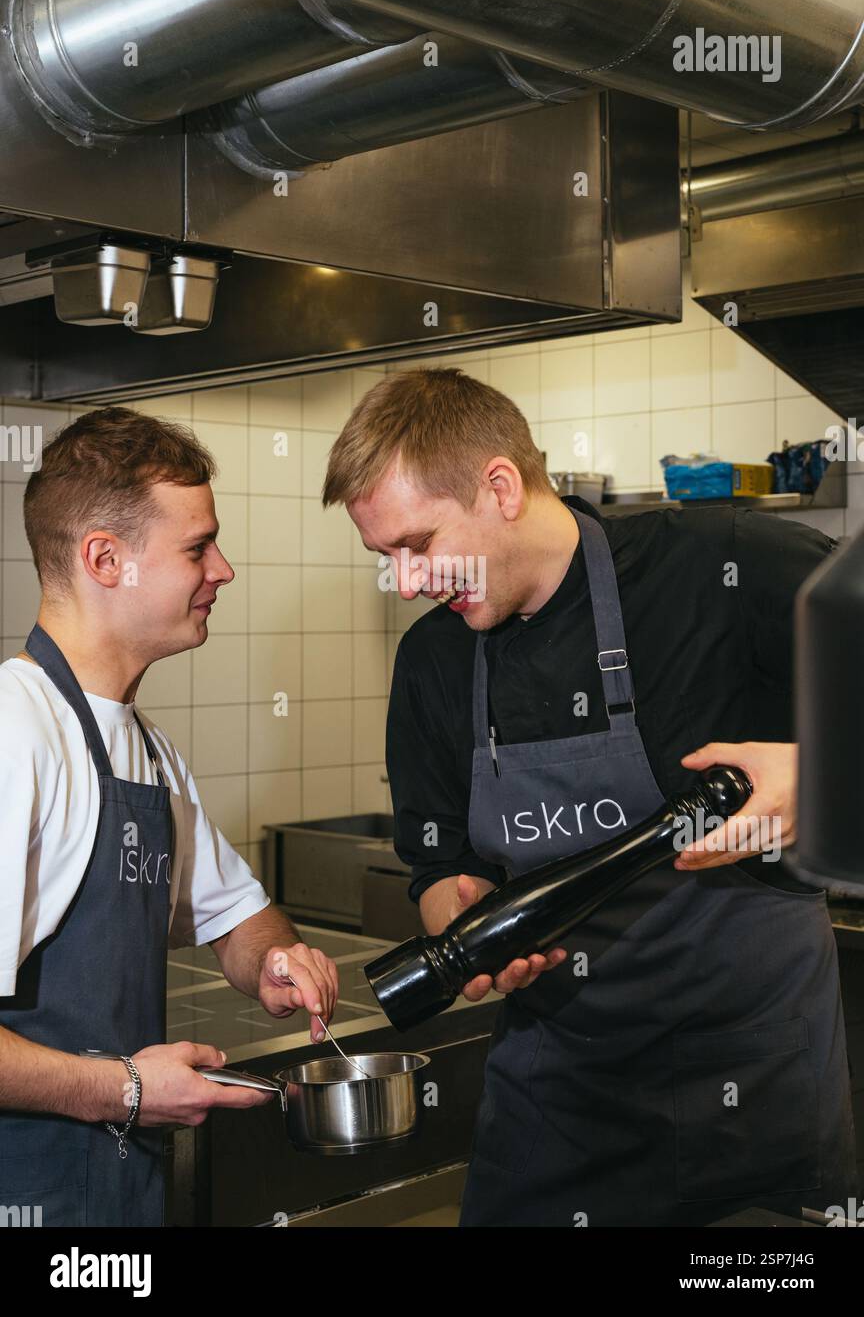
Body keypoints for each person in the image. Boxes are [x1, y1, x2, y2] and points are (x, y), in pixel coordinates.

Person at [322, 364, 857, 1227]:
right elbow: (438, 867)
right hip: (556, 1106)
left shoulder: (720, 565)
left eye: (417, 545)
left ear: (499, 487)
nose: (407, 582)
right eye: (385, 559)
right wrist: (457, 915)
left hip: (752, 1096)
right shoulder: (431, 664)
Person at [0, 407, 338, 1227]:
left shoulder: (146, 750)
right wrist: (129, 1088)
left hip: (116, 1196)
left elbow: (238, 915)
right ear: (104, 559)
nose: (223, 569)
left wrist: (273, 960)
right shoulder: (15, 734)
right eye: (198, 547)